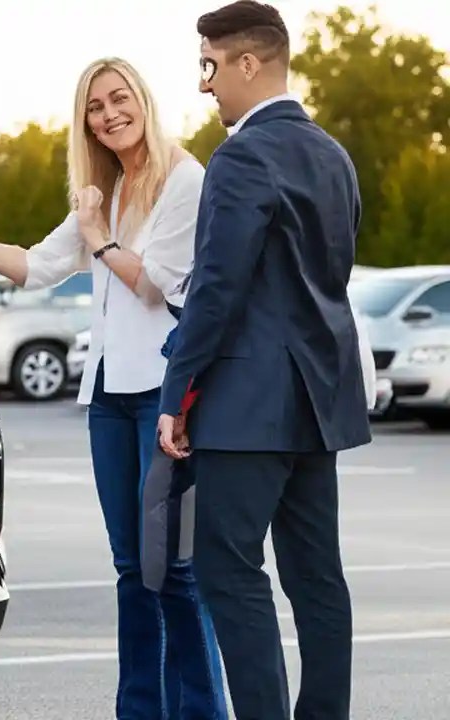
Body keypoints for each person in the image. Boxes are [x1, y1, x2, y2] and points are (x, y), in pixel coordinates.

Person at [0, 57, 227, 720]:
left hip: (169, 401)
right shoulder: (102, 191)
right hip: (107, 400)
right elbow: (36, 266)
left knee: (175, 570)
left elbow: (154, 281)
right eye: (95, 107)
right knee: (131, 571)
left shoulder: (184, 179)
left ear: (142, 98)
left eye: (118, 99)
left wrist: (98, 236)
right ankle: (140, 712)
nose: (109, 114)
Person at [156, 3, 371, 719]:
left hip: (247, 408)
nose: (205, 85)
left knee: (228, 571)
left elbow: (219, 287)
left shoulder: (242, 156)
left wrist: (175, 395)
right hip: (319, 403)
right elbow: (330, 274)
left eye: (210, 67)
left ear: (249, 63)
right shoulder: (333, 155)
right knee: (317, 579)